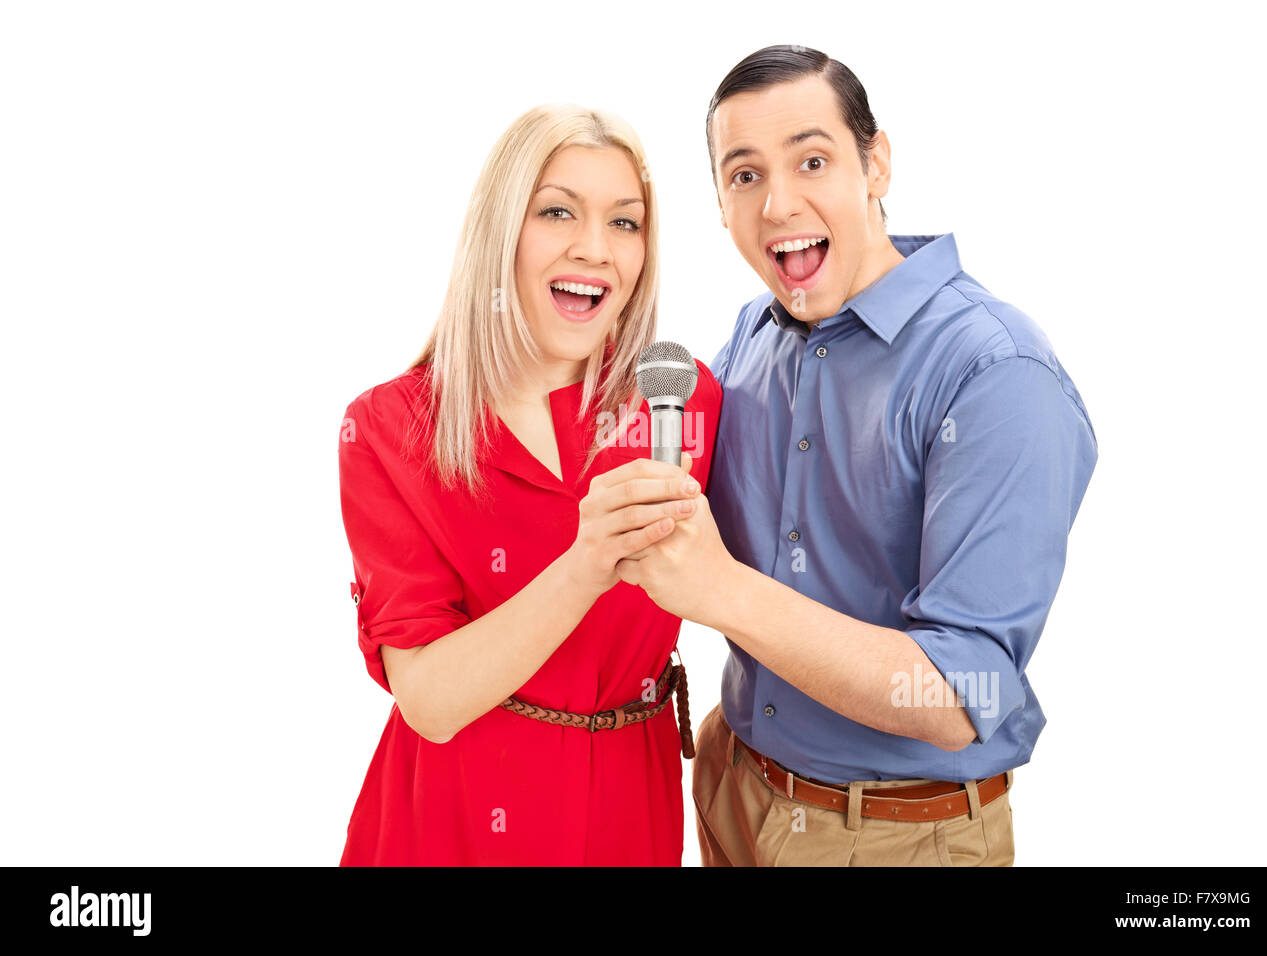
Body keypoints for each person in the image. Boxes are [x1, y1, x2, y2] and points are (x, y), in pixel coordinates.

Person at [615, 45, 1099, 866]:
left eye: (812, 160)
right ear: (719, 205)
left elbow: (963, 691)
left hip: (894, 834)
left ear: (875, 163)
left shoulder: (994, 372)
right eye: (744, 176)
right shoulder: (753, 335)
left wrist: (721, 591)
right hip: (735, 785)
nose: (778, 204)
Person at [336, 103, 722, 865]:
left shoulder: (683, 403)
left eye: (625, 222)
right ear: (500, 233)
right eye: (557, 212)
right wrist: (585, 565)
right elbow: (431, 702)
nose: (596, 249)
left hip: (627, 808)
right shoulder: (389, 428)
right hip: (453, 815)